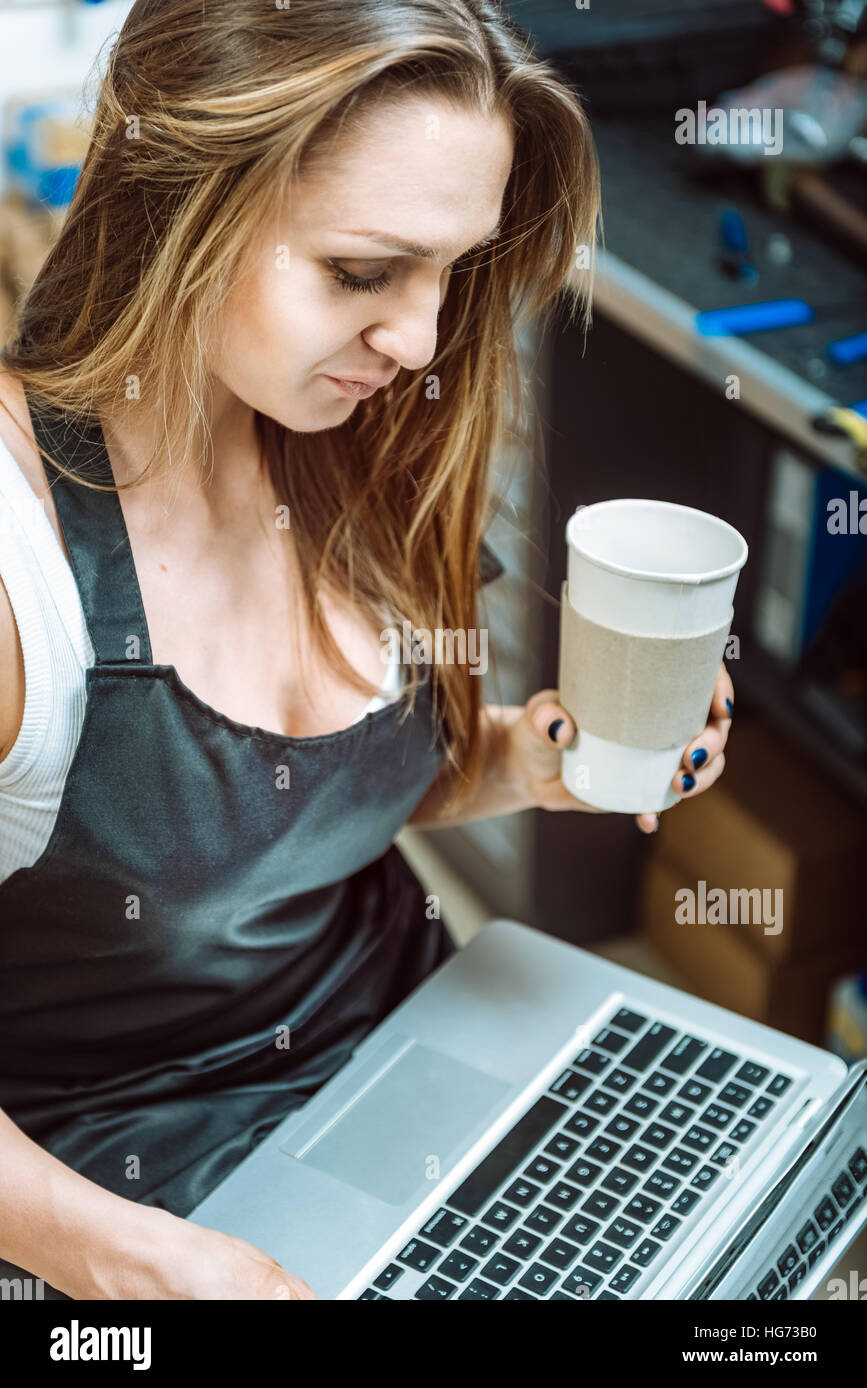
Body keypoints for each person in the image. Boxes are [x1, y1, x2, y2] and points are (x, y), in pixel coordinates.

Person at [0, 0, 733, 1300]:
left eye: (452, 271)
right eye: (360, 272)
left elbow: (315, 809)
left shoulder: (357, 438)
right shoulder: (23, 548)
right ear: (177, 196)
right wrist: (120, 1262)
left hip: (418, 1058)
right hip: (125, 1190)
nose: (425, 343)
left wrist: (519, 759)